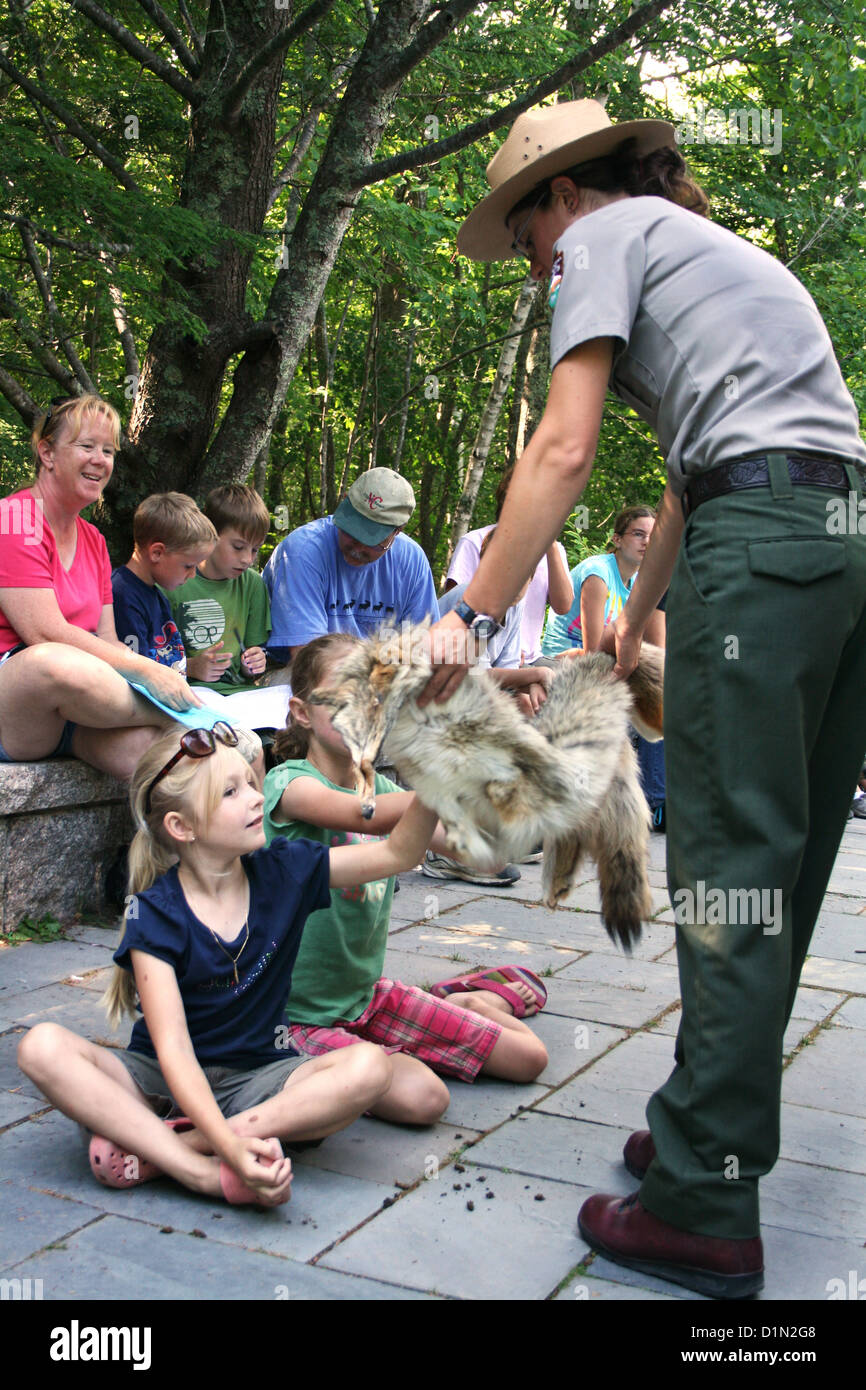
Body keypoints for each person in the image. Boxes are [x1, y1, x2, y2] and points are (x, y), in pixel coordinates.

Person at [426, 98, 866, 1299]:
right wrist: (628, 627)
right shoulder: (719, 252)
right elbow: (689, 475)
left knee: (728, 866)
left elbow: (559, 453)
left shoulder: (599, 238)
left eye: (522, 243)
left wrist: (465, 616)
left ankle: (700, 1212)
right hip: (839, 539)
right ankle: (703, 1128)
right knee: (781, 865)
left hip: (761, 548)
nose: (532, 269)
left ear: (557, 197)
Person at [16, 719, 440, 1206]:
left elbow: (398, 852)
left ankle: (170, 1146)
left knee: (368, 1067)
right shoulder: (154, 914)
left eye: (251, 784)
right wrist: (230, 1153)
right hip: (158, 1079)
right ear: (182, 827)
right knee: (41, 1046)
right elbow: (174, 1051)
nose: (257, 798)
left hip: (256, 1079)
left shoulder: (287, 870)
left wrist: (437, 784)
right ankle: (199, 1172)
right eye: (231, 793)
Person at [261, 634, 548, 1126]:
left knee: (528, 1059)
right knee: (423, 1101)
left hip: (366, 998)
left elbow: (481, 857)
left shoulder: (389, 789)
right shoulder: (289, 784)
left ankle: (456, 999)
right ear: (302, 712)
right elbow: (362, 814)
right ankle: (352, 1059)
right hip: (295, 1020)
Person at [0, 394, 198, 779]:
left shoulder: (93, 540)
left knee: (181, 763)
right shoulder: (14, 518)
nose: (100, 459)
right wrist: (152, 675)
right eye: (86, 446)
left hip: (79, 718)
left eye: (108, 450)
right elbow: (44, 633)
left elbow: (108, 642)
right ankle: (185, 715)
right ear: (47, 453)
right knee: (53, 662)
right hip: (19, 708)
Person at [263, 467, 438, 663]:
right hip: (296, 672)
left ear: (397, 531)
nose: (357, 546)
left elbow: (422, 648)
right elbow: (307, 661)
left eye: (371, 539)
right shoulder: (302, 552)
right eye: (350, 531)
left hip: (376, 676)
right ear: (345, 502)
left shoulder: (411, 560)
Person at [444, 466, 573, 666]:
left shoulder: (553, 551)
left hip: (529, 657)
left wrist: (551, 543)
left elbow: (563, 606)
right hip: (476, 656)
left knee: (578, 686)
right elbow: (455, 612)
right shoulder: (474, 542)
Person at [169, 485, 271, 693]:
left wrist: (254, 663)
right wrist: (192, 667)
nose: (247, 559)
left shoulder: (252, 585)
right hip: (187, 692)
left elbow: (255, 655)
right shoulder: (173, 581)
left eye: (255, 550)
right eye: (238, 547)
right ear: (211, 534)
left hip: (240, 696)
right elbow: (151, 659)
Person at [112, 493, 218, 671]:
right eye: (188, 566)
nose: (192, 575)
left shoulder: (157, 595)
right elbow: (136, 675)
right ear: (157, 553)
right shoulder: (123, 596)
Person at [541, 506, 653, 657]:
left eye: (653, 536)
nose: (647, 542)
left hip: (599, 657)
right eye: (639, 534)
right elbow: (593, 651)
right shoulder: (598, 573)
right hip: (562, 661)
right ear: (617, 540)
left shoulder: (638, 582)